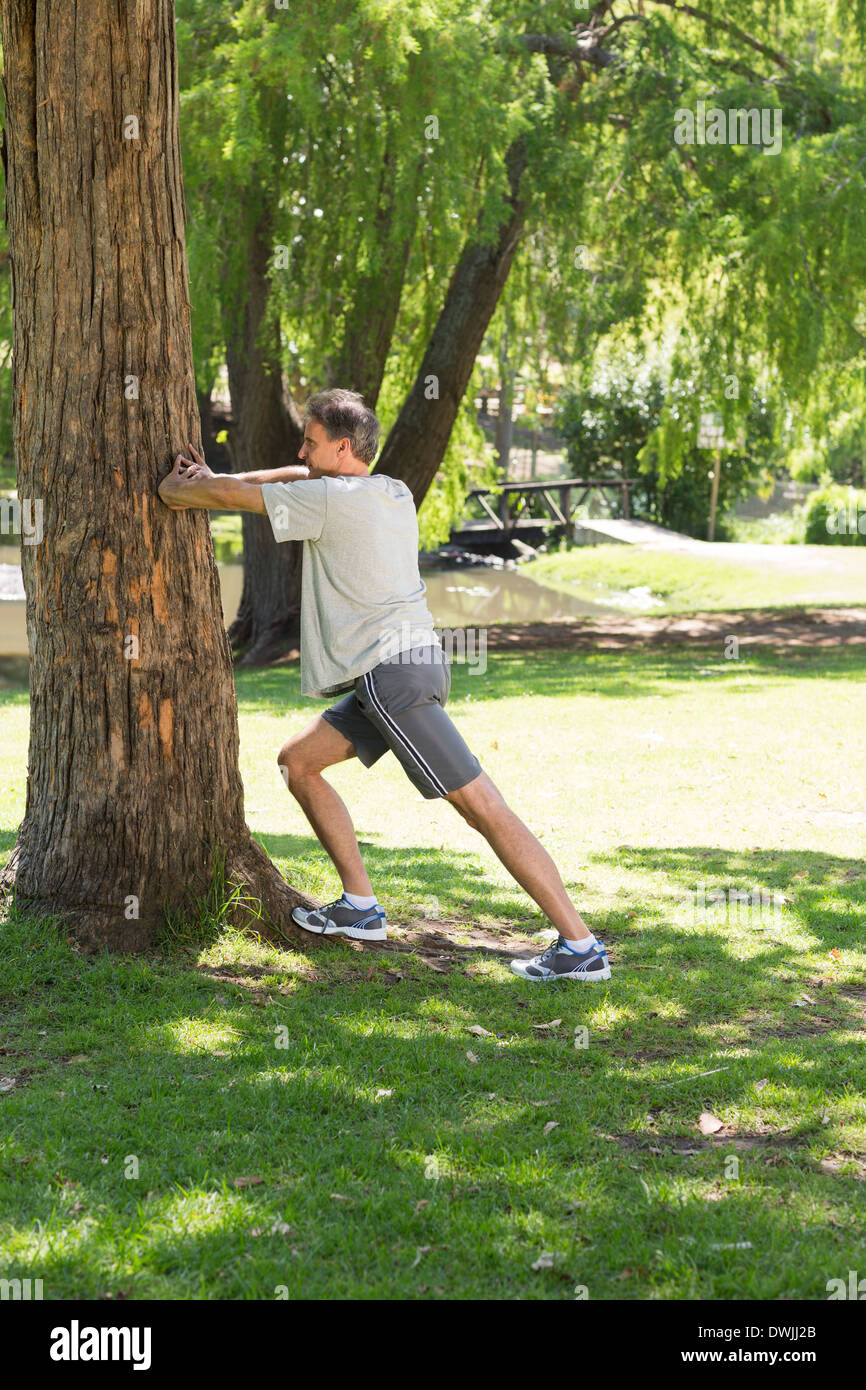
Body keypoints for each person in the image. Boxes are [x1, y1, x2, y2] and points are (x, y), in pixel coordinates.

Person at [158, 389, 610, 983]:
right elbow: (292, 472)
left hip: (392, 679)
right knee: (298, 761)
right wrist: (230, 472)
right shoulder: (390, 489)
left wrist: (178, 486)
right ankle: (362, 909)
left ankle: (579, 946)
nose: (301, 450)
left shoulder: (325, 501)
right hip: (408, 666)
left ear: (342, 447)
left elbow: (218, 496)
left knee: (482, 806)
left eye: (313, 441)